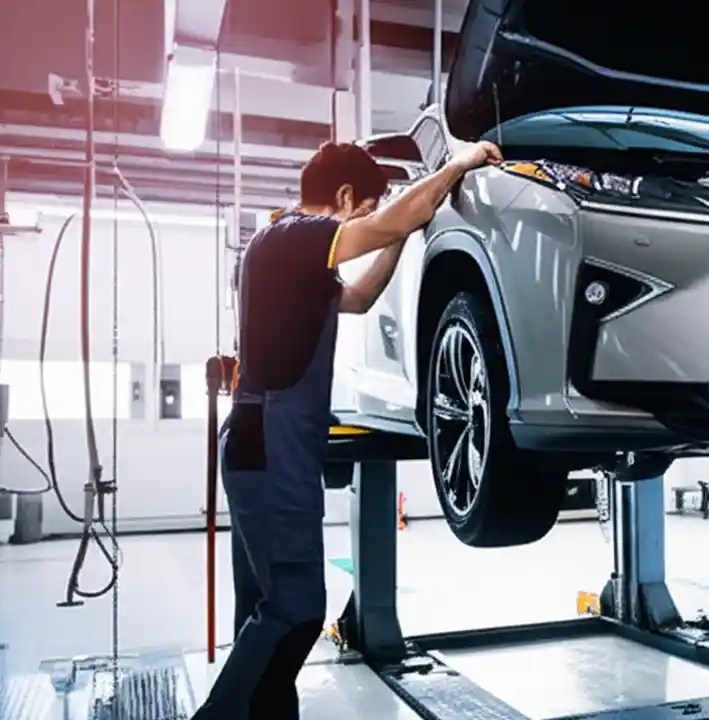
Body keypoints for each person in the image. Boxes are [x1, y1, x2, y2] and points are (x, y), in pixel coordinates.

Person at [192, 136, 503, 720]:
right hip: (272, 444)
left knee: (264, 604)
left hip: (262, 442)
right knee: (297, 606)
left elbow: (357, 299)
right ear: (342, 196)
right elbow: (388, 222)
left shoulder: (285, 250)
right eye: (366, 207)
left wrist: (402, 235)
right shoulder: (298, 236)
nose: (369, 218)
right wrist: (457, 166)